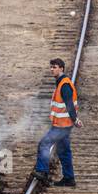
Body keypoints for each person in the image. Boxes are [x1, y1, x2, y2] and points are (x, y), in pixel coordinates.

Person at [34, 58, 79, 187]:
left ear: (61, 68)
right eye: (51, 67)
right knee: (64, 151)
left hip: (62, 126)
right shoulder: (60, 82)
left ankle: (42, 171)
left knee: (44, 143)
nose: (52, 69)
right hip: (62, 124)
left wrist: (75, 119)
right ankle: (69, 178)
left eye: (55, 67)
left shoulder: (64, 84)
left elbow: (69, 104)